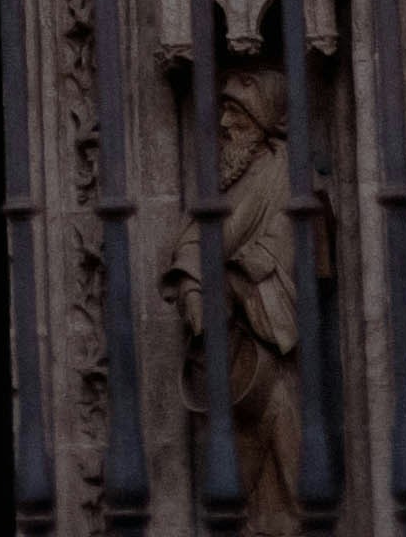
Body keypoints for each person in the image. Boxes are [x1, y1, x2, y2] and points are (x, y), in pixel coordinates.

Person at [165, 44, 302, 537]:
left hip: (269, 342)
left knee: (286, 450)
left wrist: (232, 284)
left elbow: (278, 250)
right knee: (238, 452)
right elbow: (191, 239)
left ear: (263, 120)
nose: (224, 124)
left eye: (236, 114)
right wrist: (196, 293)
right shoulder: (225, 181)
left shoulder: (284, 175)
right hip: (232, 347)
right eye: (223, 111)